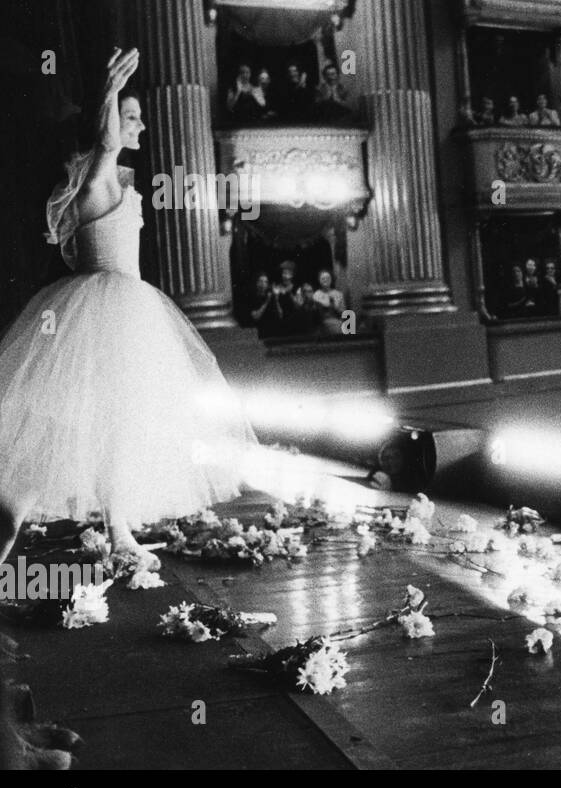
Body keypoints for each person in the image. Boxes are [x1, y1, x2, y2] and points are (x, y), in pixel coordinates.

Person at [0, 47, 258, 569]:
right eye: (132, 117)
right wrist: (111, 90)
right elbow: (108, 141)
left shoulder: (123, 187)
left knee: (121, 424)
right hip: (98, 310)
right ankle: (10, 529)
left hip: (124, 309)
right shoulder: (95, 180)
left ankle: (119, 533)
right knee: (58, 438)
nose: (138, 126)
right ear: (107, 122)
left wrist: (115, 97)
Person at [308, 268, 346, 334]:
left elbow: (344, 312)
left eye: (328, 278)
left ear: (331, 279)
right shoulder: (316, 295)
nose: (325, 280)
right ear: (319, 280)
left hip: (338, 321)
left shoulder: (338, 294)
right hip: (322, 325)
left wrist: (337, 308)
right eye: (323, 278)